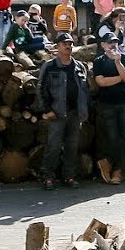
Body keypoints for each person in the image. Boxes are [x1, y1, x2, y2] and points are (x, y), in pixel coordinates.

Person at [36, 33, 90, 190]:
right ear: (57, 46)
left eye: (71, 43)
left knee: (72, 147)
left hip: (75, 113)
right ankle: (47, 177)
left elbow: (85, 90)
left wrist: (84, 110)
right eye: (65, 43)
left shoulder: (79, 66)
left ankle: (68, 177)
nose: (68, 46)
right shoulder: (50, 66)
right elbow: (41, 90)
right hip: (57, 113)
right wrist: (47, 109)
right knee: (53, 146)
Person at [93, 31, 125, 184]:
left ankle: (109, 163)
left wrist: (118, 63)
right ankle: (117, 172)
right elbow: (101, 82)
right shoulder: (99, 61)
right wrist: (121, 79)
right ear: (103, 45)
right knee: (113, 139)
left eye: (115, 42)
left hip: (124, 102)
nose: (113, 45)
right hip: (107, 104)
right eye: (109, 42)